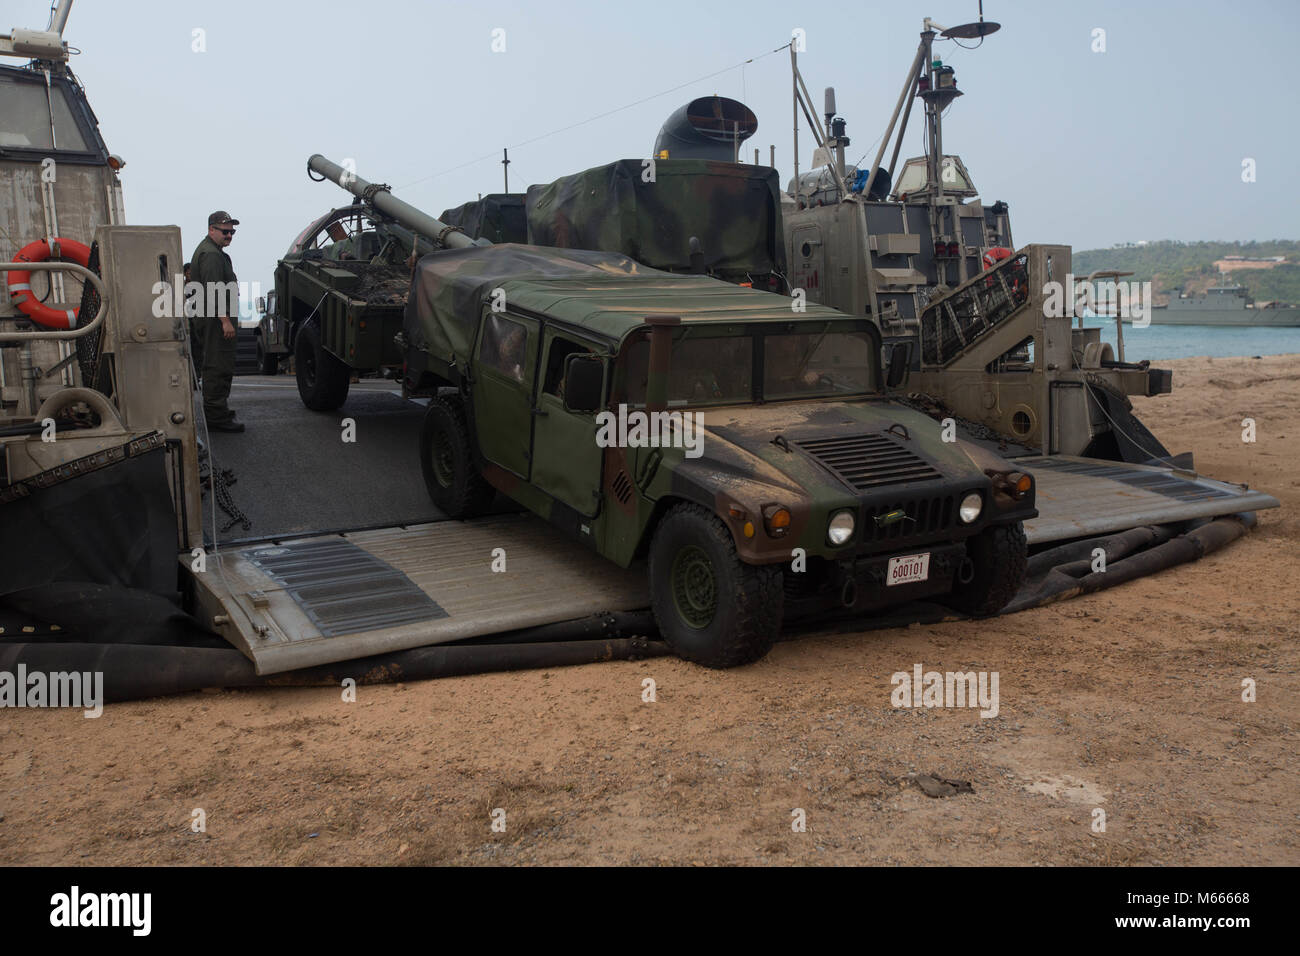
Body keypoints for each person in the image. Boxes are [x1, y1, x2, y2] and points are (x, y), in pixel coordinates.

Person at [191, 210, 245, 432]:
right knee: (217, 366)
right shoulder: (212, 255)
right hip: (215, 320)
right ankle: (216, 417)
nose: (229, 235)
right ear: (211, 229)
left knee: (217, 364)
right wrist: (225, 321)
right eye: (225, 231)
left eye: (232, 232)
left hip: (211, 318)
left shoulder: (213, 251)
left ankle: (218, 410)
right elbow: (213, 290)